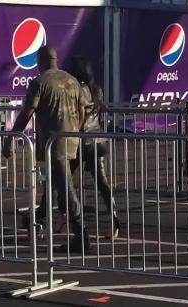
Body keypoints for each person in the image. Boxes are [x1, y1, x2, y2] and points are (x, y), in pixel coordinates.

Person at [2, 46, 89, 252]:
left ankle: (82, 235)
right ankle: (37, 218)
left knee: (66, 190)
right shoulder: (72, 81)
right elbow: (83, 109)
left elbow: (26, 113)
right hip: (70, 141)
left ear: (40, 61)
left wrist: (10, 139)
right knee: (52, 186)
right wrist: (75, 129)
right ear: (56, 59)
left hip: (53, 144)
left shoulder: (39, 83)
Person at [67, 56, 121, 239]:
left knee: (62, 179)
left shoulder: (77, 90)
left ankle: (60, 217)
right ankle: (114, 220)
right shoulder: (96, 90)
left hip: (82, 142)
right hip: (97, 141)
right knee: (102, 182)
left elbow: (79, 117)